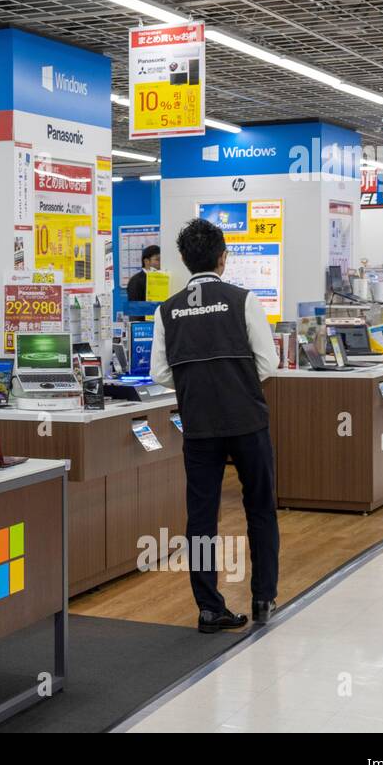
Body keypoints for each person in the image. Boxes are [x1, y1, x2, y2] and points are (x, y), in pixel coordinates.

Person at [150, 219, 280, 634]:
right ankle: (263, 598)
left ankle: (209, 609)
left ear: (185, 261)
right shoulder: (243, 300)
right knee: (259, 506)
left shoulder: (166, 310)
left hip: (199, 423)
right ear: (223, 257)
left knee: (201, 515)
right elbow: (268, 363)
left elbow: (159, 373)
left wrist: (196, 386)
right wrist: (236, 385)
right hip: (247, 420)